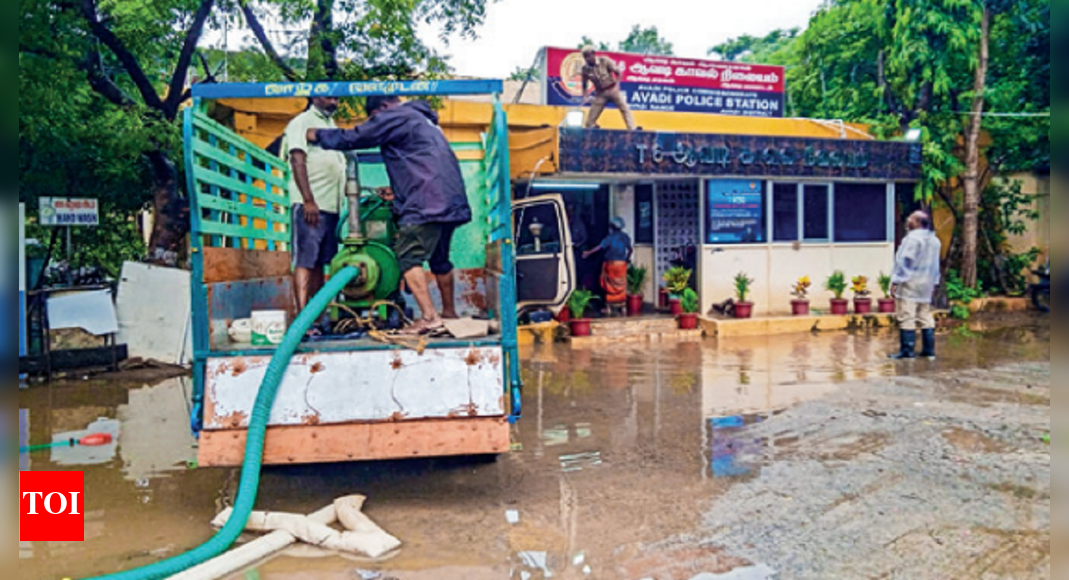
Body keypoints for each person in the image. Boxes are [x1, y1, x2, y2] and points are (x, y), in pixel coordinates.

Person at [308, 96, 472, 335]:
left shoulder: (396, 115)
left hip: (425, 202)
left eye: (375, 118)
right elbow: (422, 163)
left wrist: (316, 135)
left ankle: (430, 318)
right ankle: (449, 313)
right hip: (449, 200)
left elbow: (356, 137)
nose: (378, 122)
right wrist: (397, 192)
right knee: (440, 259)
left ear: (382, 107)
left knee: (407, 256)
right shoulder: (424, 122)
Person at [282, 96, 346, 330]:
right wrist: (308, 200)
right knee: (305, 261)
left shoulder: (331, 125)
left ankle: (316, 317)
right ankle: (302, 321)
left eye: (335, 98)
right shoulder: (302, 121)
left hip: (330, 206)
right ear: (315, 97)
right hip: (310, 204)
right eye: (328, 97)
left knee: (320, 262)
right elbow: (297, 158)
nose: (334, 102)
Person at [889, 211, 943, 360]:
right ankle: (929, 350)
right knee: (925, 314)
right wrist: (935, 281)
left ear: (918, 222)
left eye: (911, 219)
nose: (908, 220)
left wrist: (896, 280)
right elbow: (935, 264)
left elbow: (905, 261)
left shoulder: (912, 239)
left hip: (910, 281)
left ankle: (907, 351)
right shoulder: (934, 240)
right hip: (927, 282)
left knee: (907, 315)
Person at [583, 217, 633, 316]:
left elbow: (600, 247)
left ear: (612, 227)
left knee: (609, 284)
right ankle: (623, 306)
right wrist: (627, 259)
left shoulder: (610, 238)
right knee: (621, 284)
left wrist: (588, 252)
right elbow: (630, 250)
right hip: (621, 264)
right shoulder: (625, 237)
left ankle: (608, 307)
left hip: (611, 263)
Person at [581, 47, 637, 131]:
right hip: (601, 94)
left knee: (625, 109)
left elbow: (618, 73)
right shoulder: (585, 69)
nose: (587, 59)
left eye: (588, 56)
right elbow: (584, 84)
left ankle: (632, 129)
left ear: (593, 54)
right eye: (585, 57)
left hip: (612, 89)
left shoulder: (604, 61)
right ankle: (594, 129)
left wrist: (617, 86)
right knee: (589, 121)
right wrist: (585, 96)